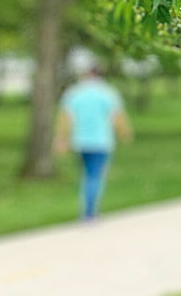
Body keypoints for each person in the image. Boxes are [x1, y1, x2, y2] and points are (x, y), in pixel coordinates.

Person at [54, 64, 133, 220]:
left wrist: (61, 139)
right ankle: (90, 212)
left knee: (86, 175)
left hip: (80, 141)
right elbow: (118, 117)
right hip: (101, 141)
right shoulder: (108, 93)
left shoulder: (74, 92)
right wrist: (125, 133)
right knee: (95, 175)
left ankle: (87, 208)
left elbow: (65, 118)